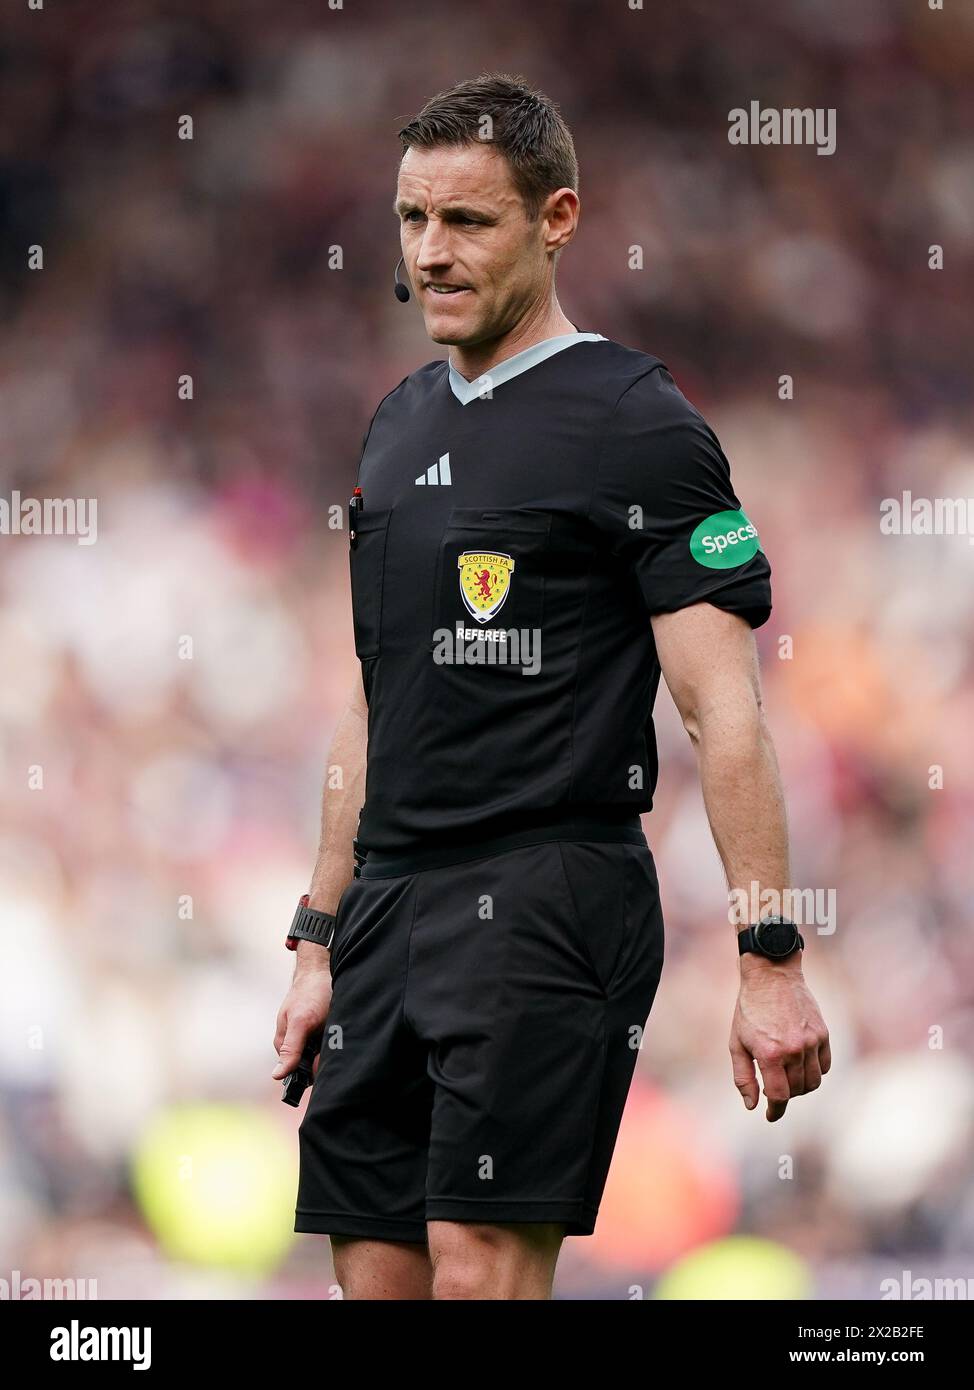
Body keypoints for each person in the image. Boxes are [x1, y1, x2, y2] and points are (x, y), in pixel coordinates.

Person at [273, 72, 830, 1301]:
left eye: (466, 221)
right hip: (386, 911)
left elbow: (720, 709)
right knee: (375, 1278)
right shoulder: (395, 425)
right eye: (412, 221)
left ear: (556, 218)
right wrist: (317, 936)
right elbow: (371, 696)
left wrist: (770, 956)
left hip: (545, 891)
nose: (430, 252)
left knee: (479, 1272)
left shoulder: (636, 420)